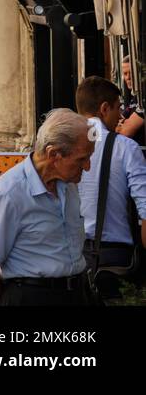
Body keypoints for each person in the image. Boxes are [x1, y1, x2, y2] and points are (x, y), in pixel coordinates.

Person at [0, 108, 95, 305]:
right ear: (53, 154)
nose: (87, 167)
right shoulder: (10, 193)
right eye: (82, 159)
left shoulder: (68, 184)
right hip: (31, 296)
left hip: (76, 293)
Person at [75, 77, 146, 274]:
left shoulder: (64, 147)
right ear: (104, 108)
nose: (121, 115)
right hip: (115, 258)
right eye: (118, 107)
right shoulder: (125, 148)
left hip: (71, 254)